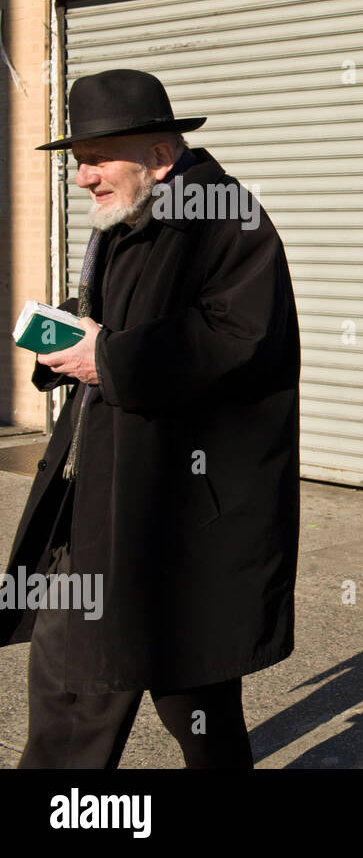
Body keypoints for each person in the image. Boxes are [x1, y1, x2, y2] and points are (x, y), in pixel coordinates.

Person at [0, 69, 301, 768]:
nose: (84, 178)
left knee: (174, 696)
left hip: (173, 519)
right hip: (107, 500)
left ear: (159, 157)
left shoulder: (227, 221)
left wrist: (108, 356)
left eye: (97, 159)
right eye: (79, 162)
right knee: (100, 688)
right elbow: (118, 325)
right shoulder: (127, 221)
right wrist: (68, 343)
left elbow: (238, 342)